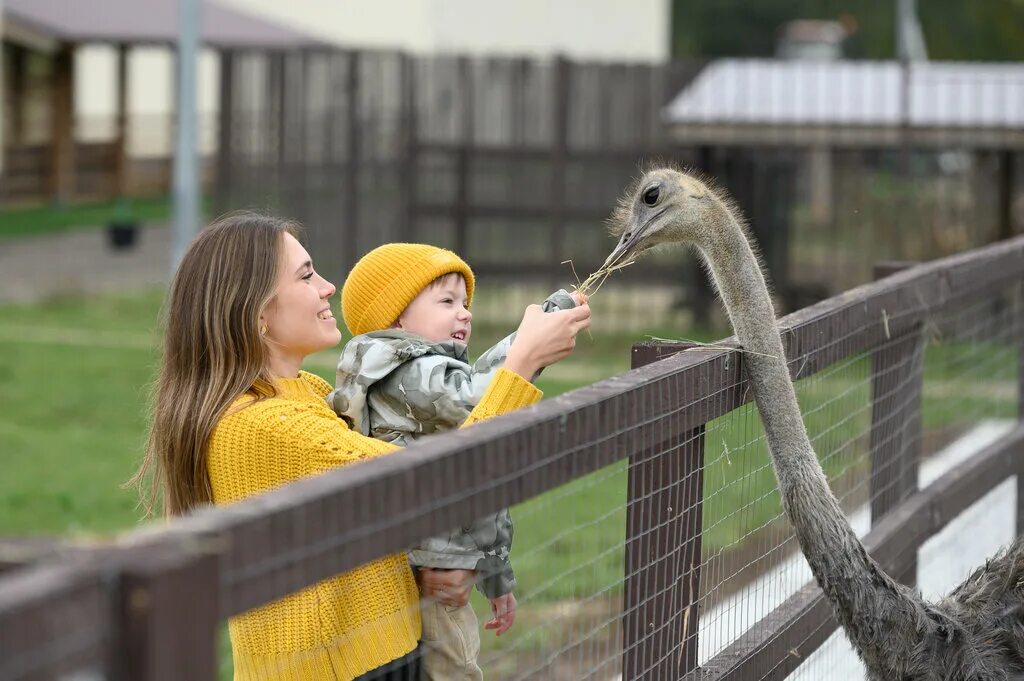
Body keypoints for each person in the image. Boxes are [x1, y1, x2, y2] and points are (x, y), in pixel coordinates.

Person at [130, 212, 591, 681]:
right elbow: (437, 479)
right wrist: (524, 362)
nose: (329, 287)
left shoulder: (303, 392)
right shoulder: (266, 425)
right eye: (307, 275)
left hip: (375, 652)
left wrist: (432, 566)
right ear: (258, 311)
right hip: (343, 669)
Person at [329, 243, 582, 680]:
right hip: (435, 570)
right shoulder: (407, 374)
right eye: (447, 301)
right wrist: (532, 346)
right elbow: (483, 396)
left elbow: (484, 469)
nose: (464, 313)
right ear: (396, 319)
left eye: (465, 303)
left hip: (440, 561)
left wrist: (497, 576)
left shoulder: (425, 375)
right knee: (455, 670)